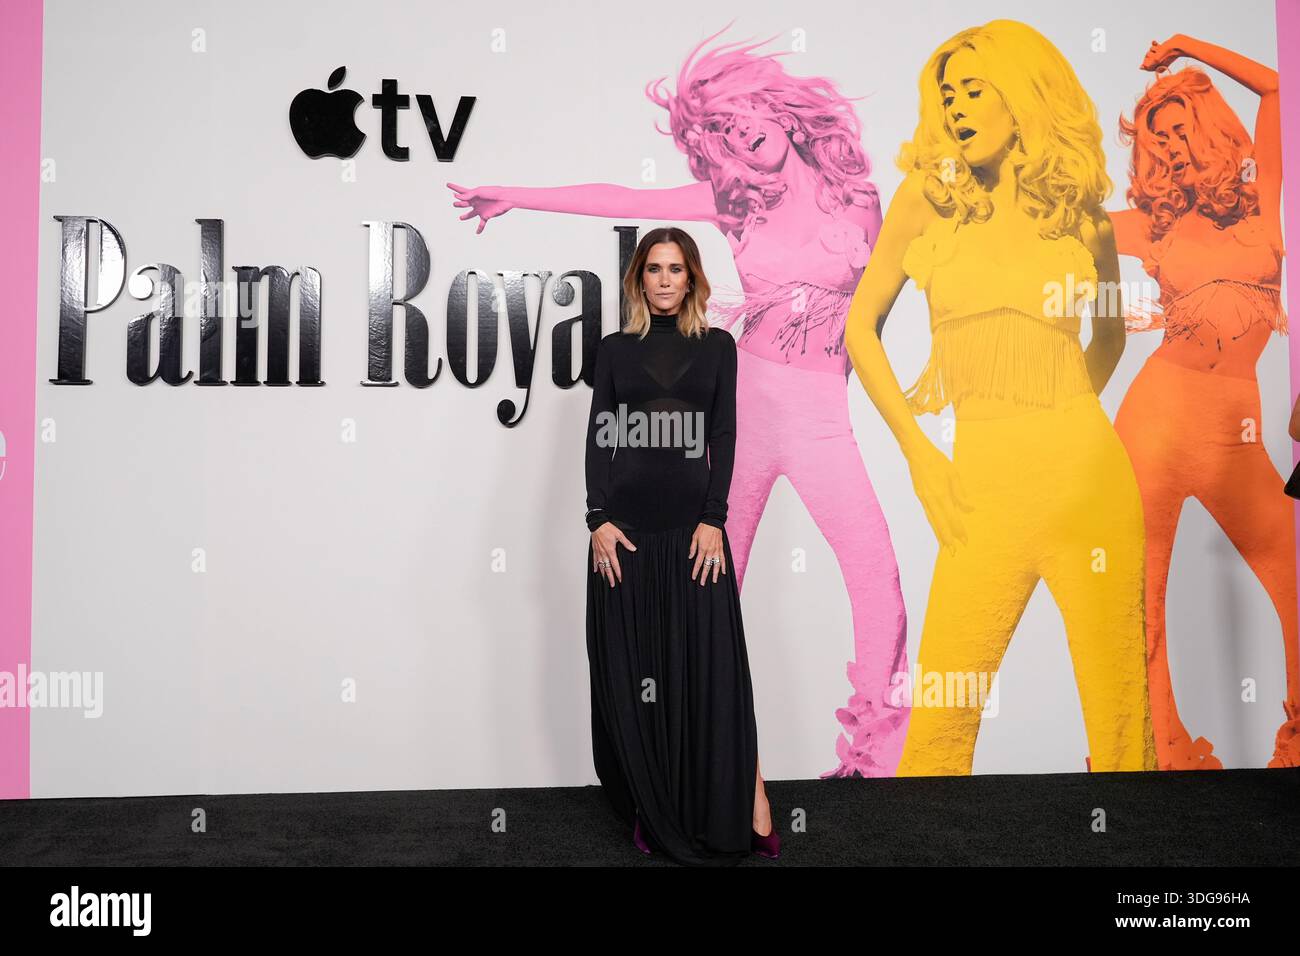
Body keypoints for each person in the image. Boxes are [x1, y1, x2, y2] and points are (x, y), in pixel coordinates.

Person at [450, 23, 911, 780]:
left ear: (779, 110)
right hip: (750, 416)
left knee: (877, 576)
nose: (736, 133)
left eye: (741, 115)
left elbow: (873, 314)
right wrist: (514, 196)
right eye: (721, 129)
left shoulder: (859, 198)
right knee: (709, 592)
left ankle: (875, 758)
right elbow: (621, 198)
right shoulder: (735, 205)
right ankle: (698, 758)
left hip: (824, 419)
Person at [843, 19, 1157, 775]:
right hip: (978, 490)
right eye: (947, 95)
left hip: (1089, 485)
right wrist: (919, 455)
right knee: (940, 734)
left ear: (1022, 98)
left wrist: (1062, 413)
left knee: (1121, 723)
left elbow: (1109, 337)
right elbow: (860, 328)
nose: (955, 108)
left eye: (974, 91)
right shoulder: (928, 199)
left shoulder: (1082, 216)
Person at [1109, 35, 1298, 769]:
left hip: (1236, 437)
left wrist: (1188, 50)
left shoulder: (1262, 206)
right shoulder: (1159, 225)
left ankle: (1295, 744)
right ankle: (1164, 753)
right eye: (1159, 143)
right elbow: (1071, 227)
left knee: (1293, 574)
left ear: (1212, 126)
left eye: (1179, 131)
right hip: (1155, 424)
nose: (1171, 150)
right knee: (1143, 599)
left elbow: (1279, 90)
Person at [584, 226, 779, 864]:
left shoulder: (719, 348)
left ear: (692, 277)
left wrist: (713, 517)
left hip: (695, 532)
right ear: (639, 278)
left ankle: (744, 791)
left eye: (676, 269)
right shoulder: (613, 351)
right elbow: (599, 438)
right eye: (654, 269)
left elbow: (723, 437)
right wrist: (598, 520)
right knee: (638, 678)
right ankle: (655, 805)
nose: (665, 280)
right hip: (628, 536)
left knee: (710, 669)